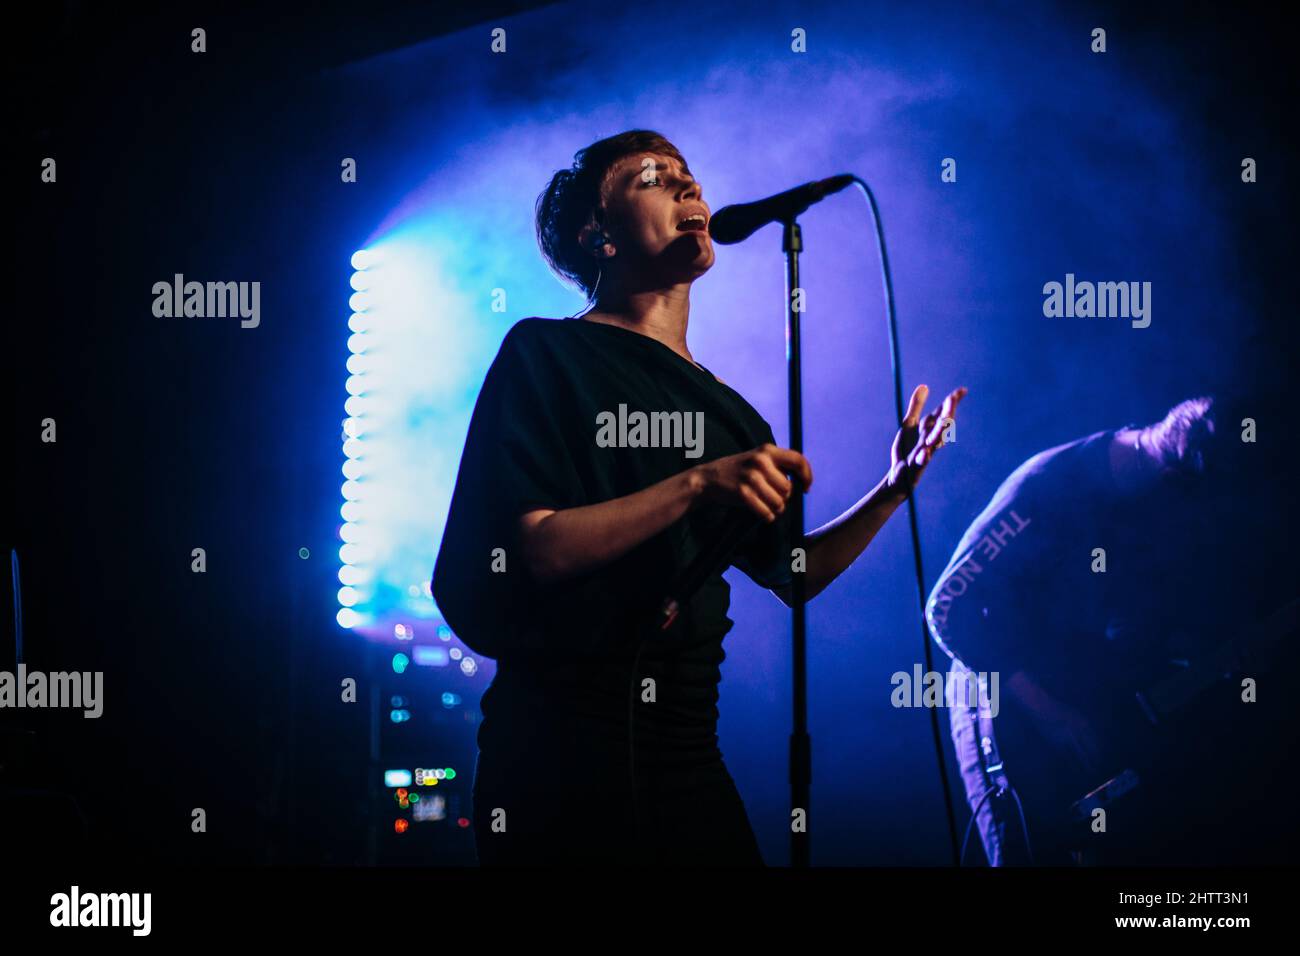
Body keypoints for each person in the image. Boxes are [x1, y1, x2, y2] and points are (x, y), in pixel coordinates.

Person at [432, 130, 966, 866]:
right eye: (655, 179)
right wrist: (695, 485)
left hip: (687, 754)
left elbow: (794, 574)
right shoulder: (545, 354)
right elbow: (529, 550)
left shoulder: (731, 416)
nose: (690, 191)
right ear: (598, 233)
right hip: (559, 757)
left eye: (692, 179)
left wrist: (891, 490)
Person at [926, 396, 1295, 865]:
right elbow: (946, 607)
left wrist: (1212, 658)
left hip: (1087, 699)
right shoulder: (1046, 488)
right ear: (1173, 475)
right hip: (1006, 709)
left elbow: (1130, 632)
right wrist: (1049, 713)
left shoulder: (1148, 504)